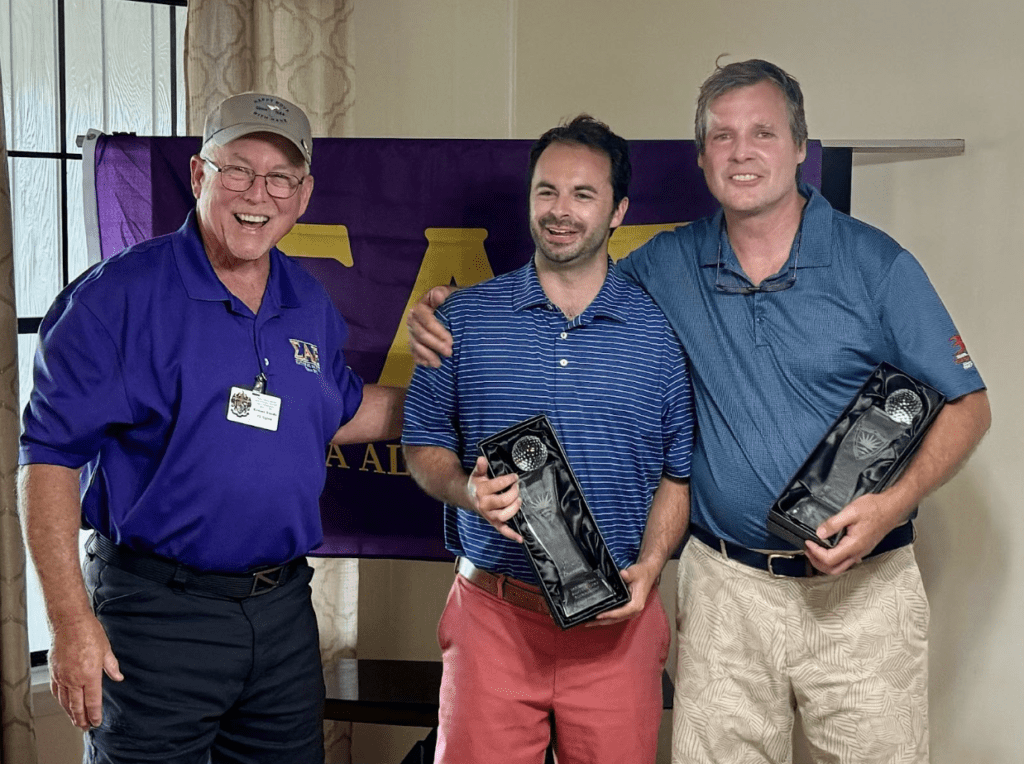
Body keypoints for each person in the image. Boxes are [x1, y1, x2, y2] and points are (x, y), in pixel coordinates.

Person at [408, 60, 991, 763]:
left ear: (800, 146)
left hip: (863, 592)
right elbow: (571, 279)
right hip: (727, 590)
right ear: (701, 156)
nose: (741, 152)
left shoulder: (877, 263)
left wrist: (889, 507)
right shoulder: (667, 266)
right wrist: (453, 310)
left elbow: (969, 406)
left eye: (762, 133)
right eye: (722, 136)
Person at [19, 92, 405, 764]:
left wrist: (464, 400)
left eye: (280, 177)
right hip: (155, 617)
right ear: (200, 174)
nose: (258, 194)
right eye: (239, 171)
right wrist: (69, 620)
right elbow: (48, 458)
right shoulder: (116, 299)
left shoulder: (307, 301)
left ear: (303, 195)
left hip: (281, 615)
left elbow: (340, 410)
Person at [402, 115, 694, 764]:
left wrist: (652, 567)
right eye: (547, 191)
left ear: (618, 211)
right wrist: (466, 490)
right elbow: (422, 442)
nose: (561, 211)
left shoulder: (663, 334)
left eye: (583, 194)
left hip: (616, 625)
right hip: (493, 618)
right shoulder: (461, 318)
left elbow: (677, 477)